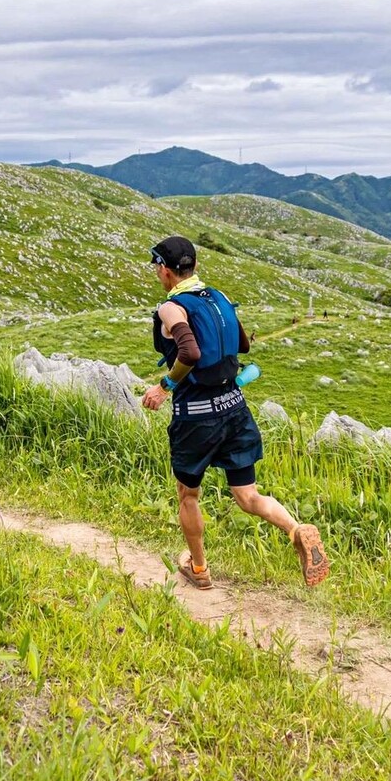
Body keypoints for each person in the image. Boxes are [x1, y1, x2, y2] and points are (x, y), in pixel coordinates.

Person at [141, 236, 330, 590]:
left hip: (197, 416)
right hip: (235, 409)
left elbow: (190, 352)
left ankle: (198, 569)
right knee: (248, 496)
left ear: (165, 270)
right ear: (194, 266)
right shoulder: (220, 298)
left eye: (156, 267)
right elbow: (242, 344)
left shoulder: (171, 307)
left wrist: (163, 387)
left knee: (188, 494)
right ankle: (296, 529)